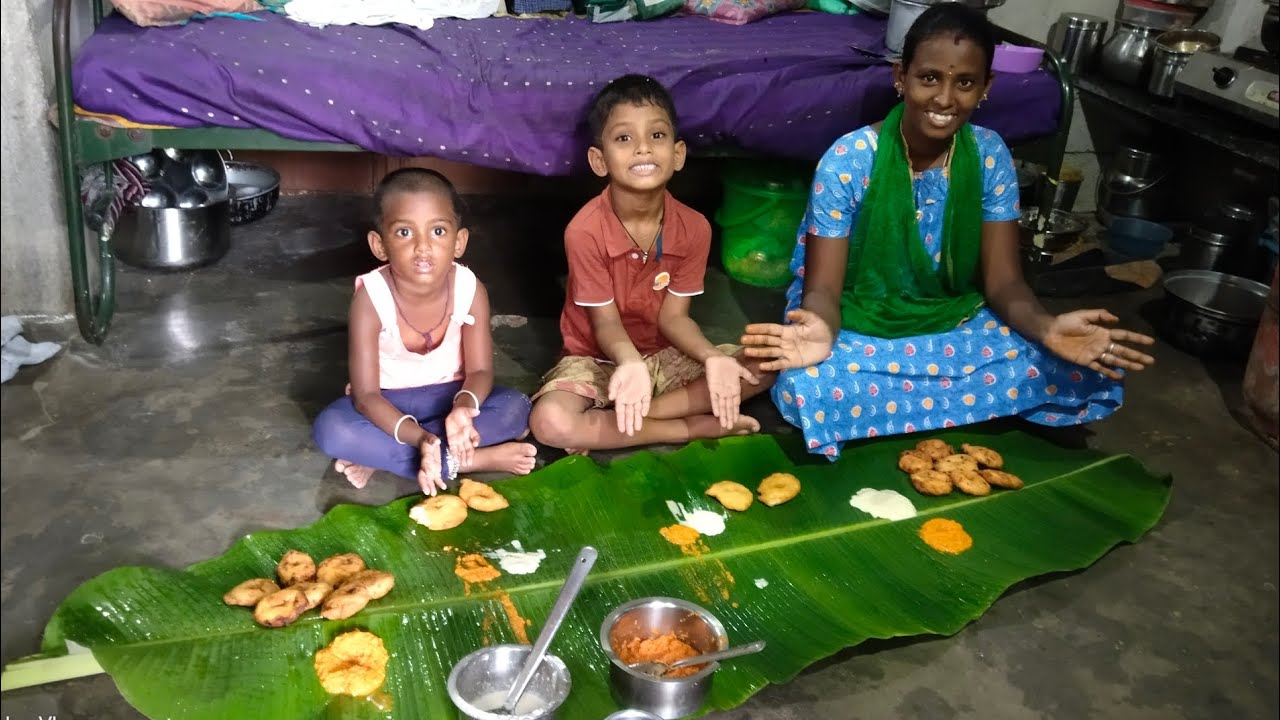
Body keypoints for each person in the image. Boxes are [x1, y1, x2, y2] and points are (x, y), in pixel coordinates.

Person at [740, 3, 1155, 460]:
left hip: (953, 317)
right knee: (812, 382)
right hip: (858, 320)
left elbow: (1003, 282)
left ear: (985, 88)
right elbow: (822, 289)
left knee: (1061, 361)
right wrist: (819, 330)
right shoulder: (849, 160)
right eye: (929, 77)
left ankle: (918, 407)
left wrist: (1048, 327)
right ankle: (965, 407)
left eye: (965, 83)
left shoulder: (989, 155)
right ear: (901, 77)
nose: (944, 99)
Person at [528, 74, 774, 453]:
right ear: (599, 160)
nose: (643, 149)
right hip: (598, 359)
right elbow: (605, 322)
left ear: (677, 154)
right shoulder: (585, 230)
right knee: (550, 422)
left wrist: (711, 358)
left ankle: (635, 416)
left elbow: (673, 318)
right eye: (624, 138)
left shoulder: (694, 227)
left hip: (663, 355)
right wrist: (630, 366)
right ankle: (686, 427)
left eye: (656, 136)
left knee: (765, 365)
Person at [313, 168, 537, 494]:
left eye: (438, 231)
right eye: (404, 232)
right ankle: (470, 460)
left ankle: (385, 457)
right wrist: (422, 439)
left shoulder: (470, 290)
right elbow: (366, 397)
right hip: (387, 404)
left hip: (449, 396)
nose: (422, 247)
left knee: (517, 408)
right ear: (379, 245)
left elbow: (480, 370)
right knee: (333, 431)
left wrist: (463, 408)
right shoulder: (370, 299)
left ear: (459, 241)